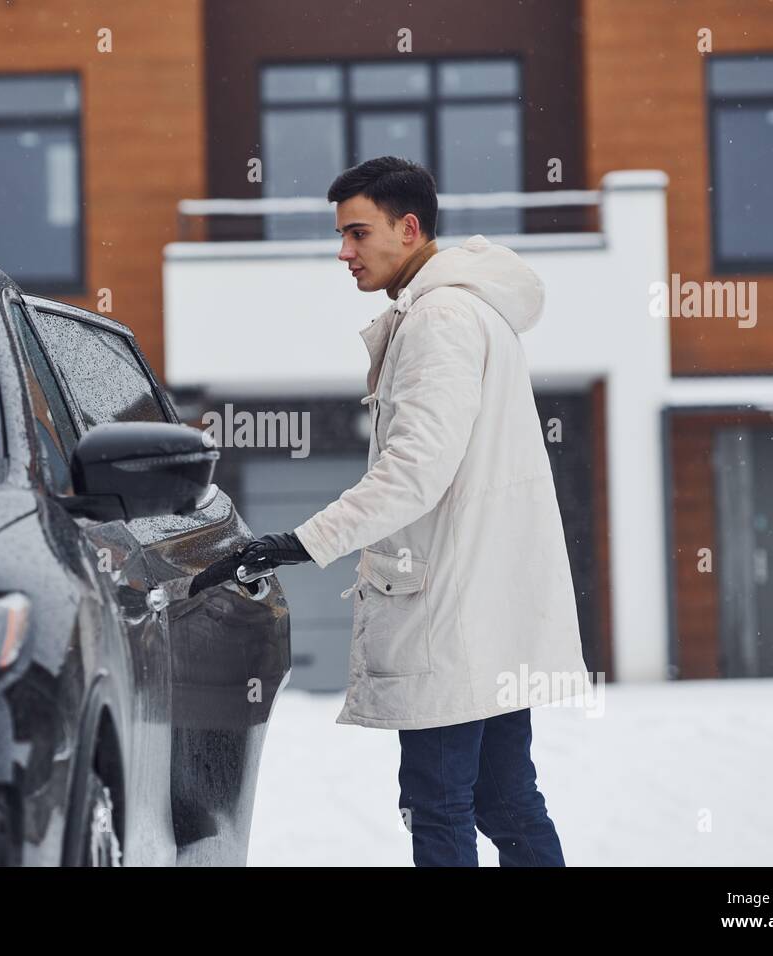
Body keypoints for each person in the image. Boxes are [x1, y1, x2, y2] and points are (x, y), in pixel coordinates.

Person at [237, 155, 591, 867]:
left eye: (357, 233)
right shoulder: (467, 311)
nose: (344, 252)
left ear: (408, 227)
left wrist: (305, 540)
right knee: (502, 797)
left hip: (452, 617)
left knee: (439, 804)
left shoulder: (442, 318)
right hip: (484, 610)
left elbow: (416, 468)